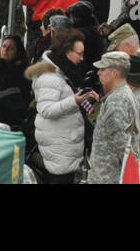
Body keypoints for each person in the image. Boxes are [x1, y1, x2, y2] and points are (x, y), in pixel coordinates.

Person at [26, 28, 96, 183]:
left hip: (64, 144)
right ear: (66, 51)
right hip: (59, 147)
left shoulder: (62, 71)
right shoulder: (49, 77)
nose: (82, 58)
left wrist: (84, 98)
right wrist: (74, 101)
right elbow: (46, 110)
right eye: (79, 53)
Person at [87, 51, 140, 183]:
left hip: (108, 177)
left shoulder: (117, 101)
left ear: (114, 73)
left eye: (102, 69)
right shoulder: (121, 94)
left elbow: (122, 145)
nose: (98, 73)